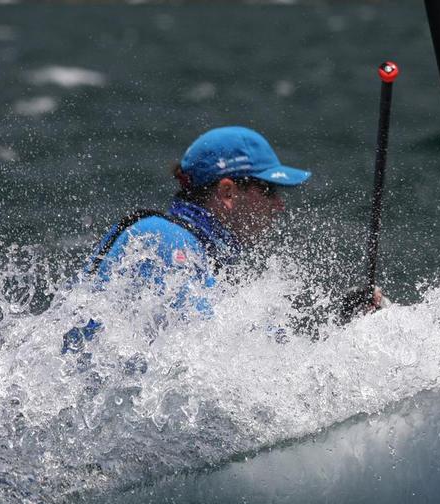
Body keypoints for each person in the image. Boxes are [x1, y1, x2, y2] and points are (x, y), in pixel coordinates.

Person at [63, 125, 380, 353]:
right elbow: (218, 351)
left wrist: (337, 320)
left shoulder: (198, 248)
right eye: (268, 190)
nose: (278, 205)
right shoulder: (165, 241)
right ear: (227, 192)